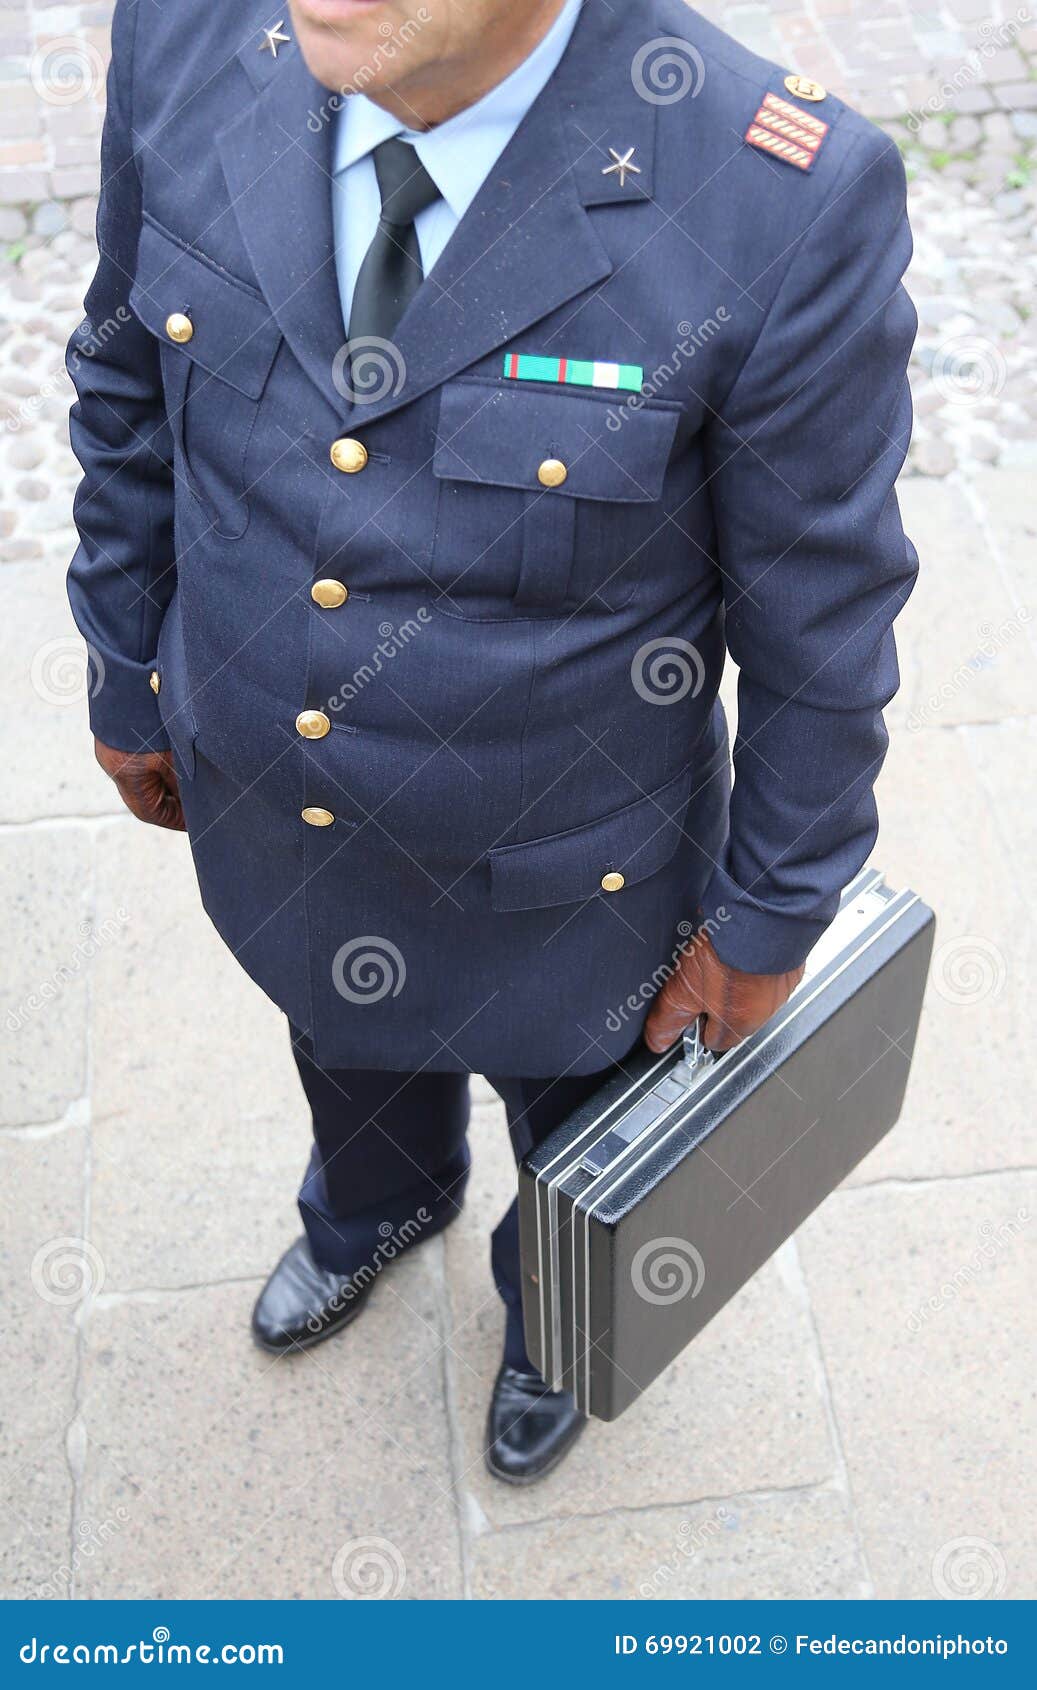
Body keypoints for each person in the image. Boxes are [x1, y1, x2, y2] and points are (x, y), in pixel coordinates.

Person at [66, 0, 917, 1485]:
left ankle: (551, 1318)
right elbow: (128, 378)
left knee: (578, 1139)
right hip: (285, 826)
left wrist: (770, 910)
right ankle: (375, 1206)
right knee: (344, 1054)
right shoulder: (189, 33)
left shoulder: (770, 193)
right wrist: (127, 673)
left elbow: (817, 624)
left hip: (564, 896)